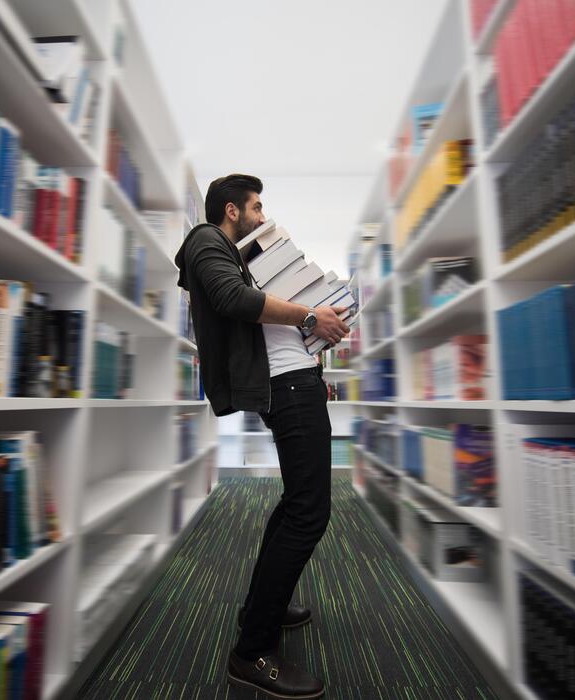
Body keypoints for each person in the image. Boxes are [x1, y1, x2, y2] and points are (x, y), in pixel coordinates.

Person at [174, 174, 349, 699]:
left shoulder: (244, 255)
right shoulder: (208, 240)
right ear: (231, 210)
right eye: (256, 206)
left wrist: (314, 369)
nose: (261, 214)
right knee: (310, 510)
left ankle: (261, 608)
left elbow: (265, 324)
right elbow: (232, 300)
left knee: (297, 503)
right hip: (285, 386)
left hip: (297, 381)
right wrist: (312, 313)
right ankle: (251, 653)